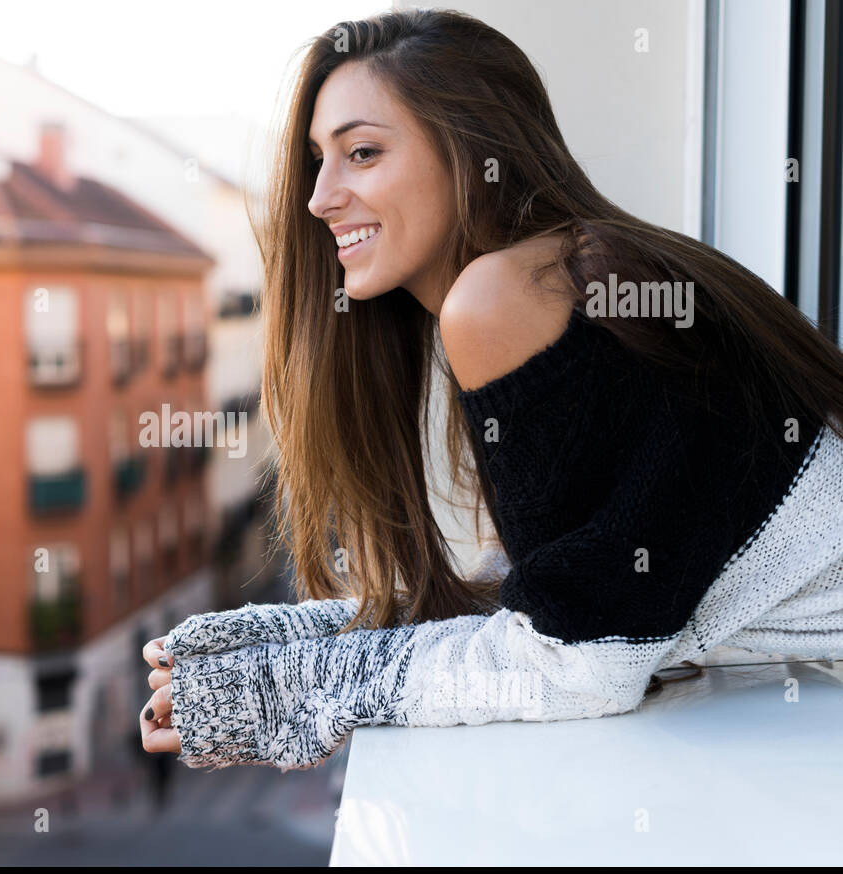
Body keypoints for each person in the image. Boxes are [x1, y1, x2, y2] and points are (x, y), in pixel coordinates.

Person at [138, 8, 843, 771]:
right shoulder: (570, 268)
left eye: (363, 153)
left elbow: (579, 664)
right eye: (318, 160)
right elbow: (576, 596)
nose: (319, 198)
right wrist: (297, 639)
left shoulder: (503, 296)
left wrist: (294, 686)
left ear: (473, 153)